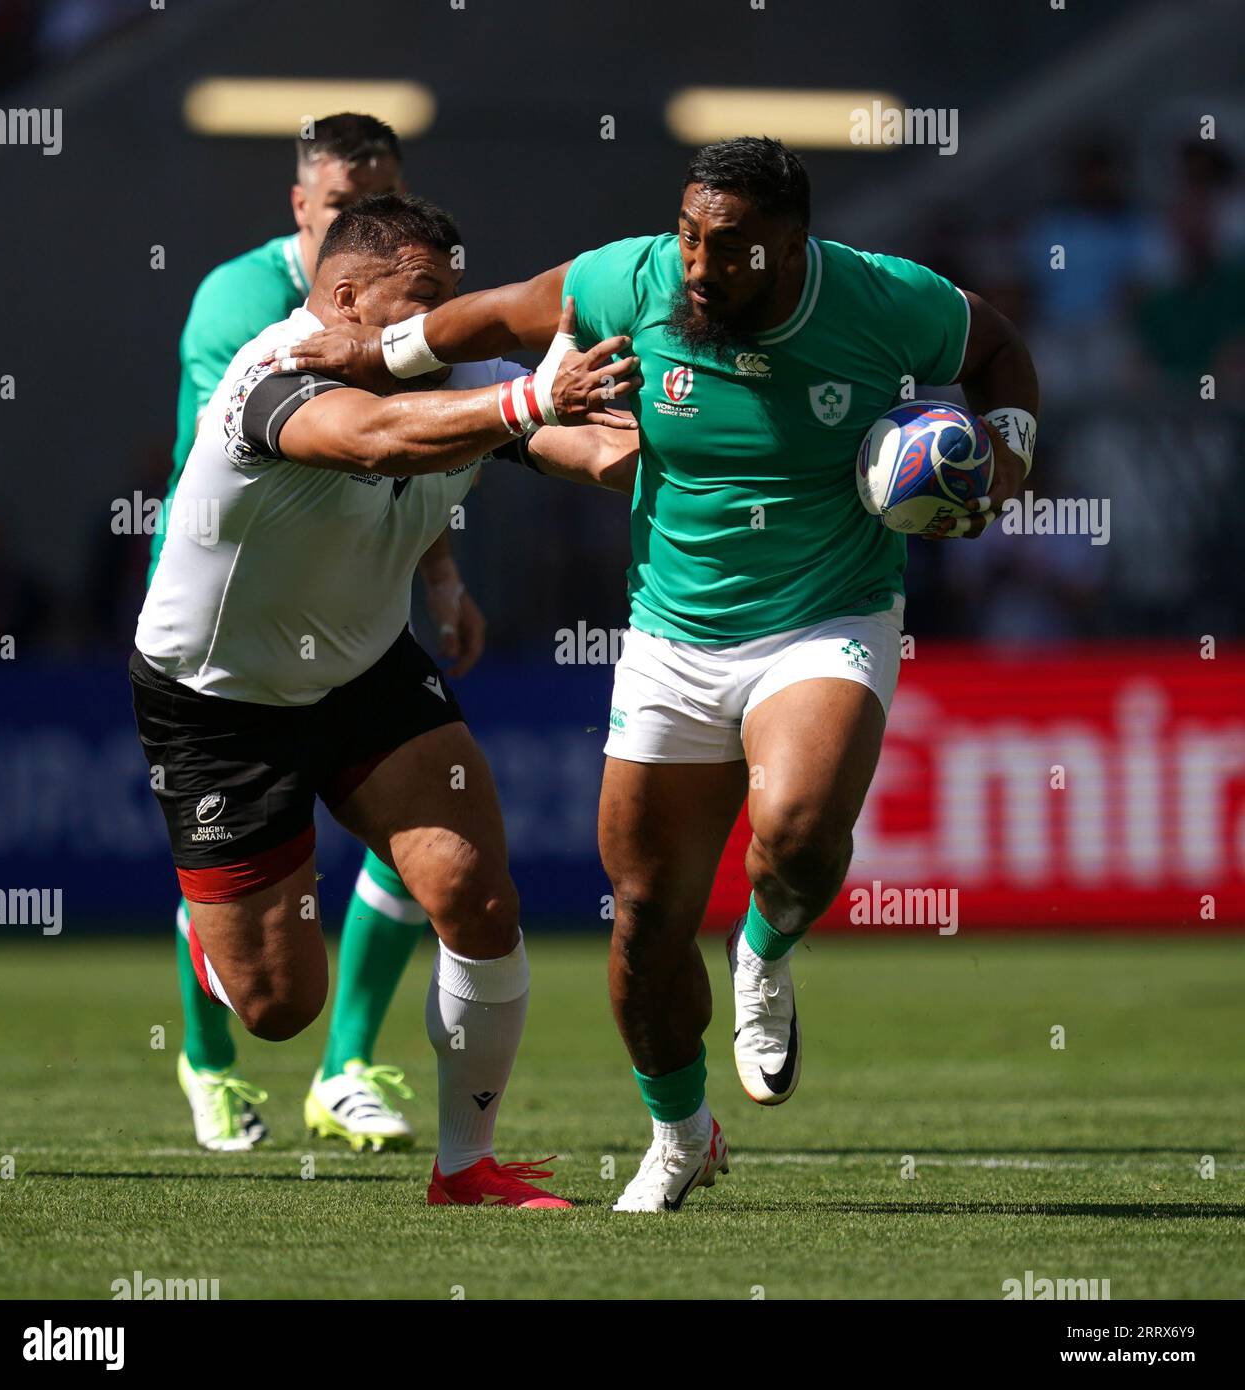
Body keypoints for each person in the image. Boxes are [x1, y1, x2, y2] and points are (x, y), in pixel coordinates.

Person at [280, 137, 1039, 1211]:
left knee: (801, 828)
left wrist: (1005, 452)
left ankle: (767, 951)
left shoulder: (882, 298)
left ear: (789, 246)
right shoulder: (633, 276)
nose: (697, 264)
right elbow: (493, 317)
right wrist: (377, 357)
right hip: (672, 636)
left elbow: (999, 345)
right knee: (643, 915)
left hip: (825, 614)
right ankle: (681, 1132)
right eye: (688, 234)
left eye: (727, 247)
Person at [133, 192, 638, 1205]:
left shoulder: (454, 378)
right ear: (349, 297)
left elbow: (605, 451)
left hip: (366, 671)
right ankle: (212, 926)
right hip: (220, 703)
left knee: (478, 896)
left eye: (452, 303)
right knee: (279, 1007)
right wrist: (533, 400)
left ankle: (466, 1166)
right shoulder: (272, 374)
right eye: (422, 299)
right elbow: (372, 438)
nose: (438, 324)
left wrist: (696, 417)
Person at [161, 113, 486, 1153]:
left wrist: (436, 566)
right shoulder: (248, 307)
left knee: (435, 836)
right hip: (240, 614)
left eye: (380, 198)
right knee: (272, 993)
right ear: (303, 208)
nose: (363, 215)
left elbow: (406, 453)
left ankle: (347, 1065)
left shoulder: (405, 309)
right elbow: (332, 444)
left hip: (356, 601)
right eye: (344, 203)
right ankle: (212, 1048)